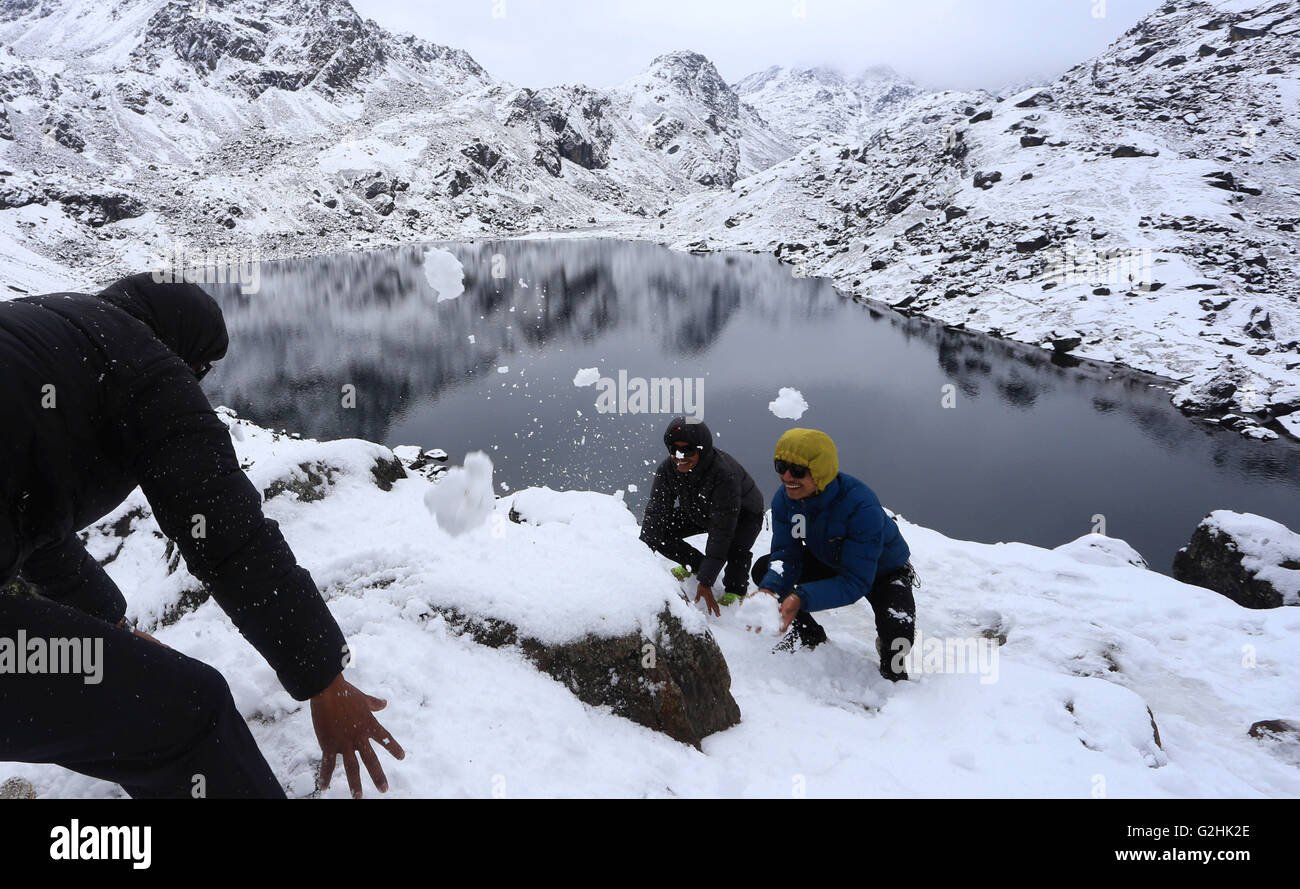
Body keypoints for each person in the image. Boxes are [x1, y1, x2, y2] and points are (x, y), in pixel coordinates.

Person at [0, 273, 404, 798]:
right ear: (189, 356)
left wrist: (108, 622)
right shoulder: (146, 367)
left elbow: (37, 519)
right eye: (202, 371)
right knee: (188, 717)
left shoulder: (53, 330)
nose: (198, 382)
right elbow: (231, 541)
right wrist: (325, 678)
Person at [752, 428, 917, 681]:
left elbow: (856, 583)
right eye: (780, 466)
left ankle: (892, 672)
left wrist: (800, 597)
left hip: (884, 571)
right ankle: (810, 634)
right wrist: (770, 589)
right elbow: (787, 555)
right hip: (831, 559)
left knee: (899, 633)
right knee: (766, 571)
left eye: (797, 470)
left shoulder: (861, 506)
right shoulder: (786, 502)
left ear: (820, 471)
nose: (786, 476)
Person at [639, 416, 764, 616]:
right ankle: (695, 564)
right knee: (657, 532)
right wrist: (640, 558)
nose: (680, 456)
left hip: (744, 514)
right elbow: (656, 512)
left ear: (702, 449)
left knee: (734, 549)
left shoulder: (724, 475)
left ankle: (735, 591)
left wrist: (706, 581)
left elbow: (721, 532)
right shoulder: (668, 470)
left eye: (687, 450)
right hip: (699, 509)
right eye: (674, 449)